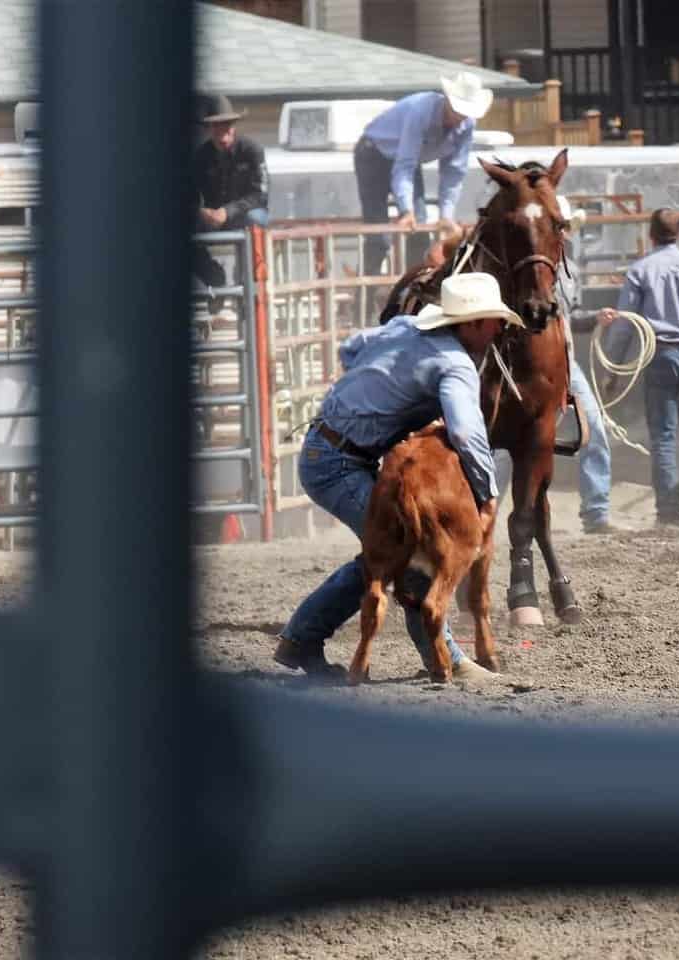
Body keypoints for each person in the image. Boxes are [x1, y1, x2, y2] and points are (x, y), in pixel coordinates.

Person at [273, 272, 521, 681]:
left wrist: (370, 393)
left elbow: (351, 347)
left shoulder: (406, 326)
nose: (500, 328)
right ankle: (449, 660)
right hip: (339, 464)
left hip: (329, 448)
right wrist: (487, 491)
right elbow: (464, 432)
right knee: (397, 555)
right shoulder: (455, 363)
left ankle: (302, 639)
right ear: (472, 323)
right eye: (494, 320)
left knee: (385, 552)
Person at [598, 208, 679, 527]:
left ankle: (669, 512)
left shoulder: (640, 270)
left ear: (651, 234)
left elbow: (624, 324)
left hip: (659, 354)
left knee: (663, 435)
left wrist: (614, 370)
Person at [493, 196, 615, 533]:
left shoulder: (568, 269)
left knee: (593, 430)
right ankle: (485, 512)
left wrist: (593, 319)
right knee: (507, 446)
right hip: (527, 368)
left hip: (564, 363)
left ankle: (597, 512)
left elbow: (567, 317)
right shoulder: (522, 267)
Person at [353, 72, 493, 278]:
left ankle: (413, 288)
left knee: (419, 230)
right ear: (447, 101)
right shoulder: (421, 111)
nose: (459, 117)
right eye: (458, 110)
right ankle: (365, 295)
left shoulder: (466, 125)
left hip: (407, 161)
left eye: (465, 113)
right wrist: (405, 209)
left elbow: (454, 171)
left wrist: (446, 214)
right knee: (379, 235)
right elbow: (405, 164)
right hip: (374, 154)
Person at [192, 94, 269, 288]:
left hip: (244, 215)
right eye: (216, 126)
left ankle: (251, 283)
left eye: (226, 125)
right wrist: (203, 211)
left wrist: (228, 211)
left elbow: (261, 194)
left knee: (257, 219)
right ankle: (214, 279)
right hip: (212, 218)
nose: (222, 132)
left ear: (234, 126)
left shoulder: (253, 150)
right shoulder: (200, 157)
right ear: (209, 129)